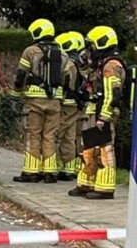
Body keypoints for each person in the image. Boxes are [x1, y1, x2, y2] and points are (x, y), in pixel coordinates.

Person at [69, 26, 124, 200]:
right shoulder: (102, 64)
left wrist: (104, 117)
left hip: (102, 113)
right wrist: (85, 65)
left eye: (91, 46)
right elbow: (92, 82)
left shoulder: (111, 66)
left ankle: (105, 188)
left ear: (101, 44)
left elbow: (111, 94)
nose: (89, 50)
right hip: (93, 111)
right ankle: (86, 184)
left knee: (104, 149)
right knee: (89, 150)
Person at [12, 19, 67, 184]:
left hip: (35, 101)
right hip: (54, 101)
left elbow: (21, 75)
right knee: (50, 135)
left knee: (33, 134)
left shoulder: (30, 51)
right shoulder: (62, 53)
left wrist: (15, 95)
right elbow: (66, 77)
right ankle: (50, 172)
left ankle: (31, 172)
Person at [55, 31, 85, 181]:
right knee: (71, 137)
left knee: (57, 134)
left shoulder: (69, 64)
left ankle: (52, 167)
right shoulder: (81, 63)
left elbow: (65, 83)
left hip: (66, 104)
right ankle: (69, 168)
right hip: (77, 105)